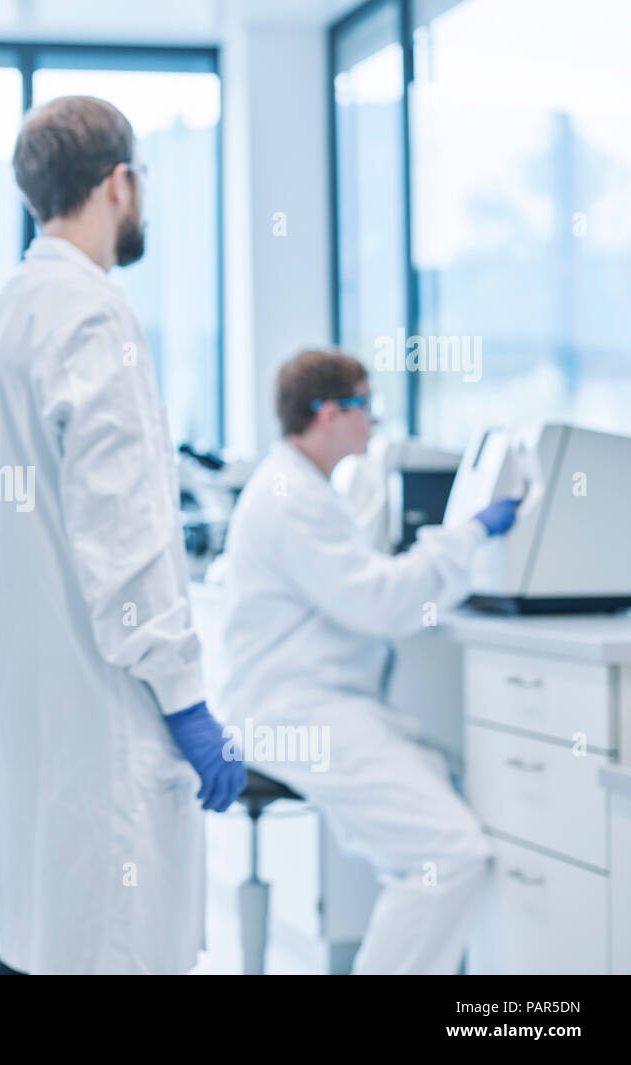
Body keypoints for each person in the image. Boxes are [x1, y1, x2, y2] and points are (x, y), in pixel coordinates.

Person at [0, 95, 245, 975]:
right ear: (120, 183)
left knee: (50, 936)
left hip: (45, 717)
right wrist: (189, 701)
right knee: (108, 941)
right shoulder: (92, 314)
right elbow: (124, 539)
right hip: (108, 719)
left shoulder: (3, 318)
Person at [219, 348, 519, 974]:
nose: (374, 423)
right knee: (451, 852)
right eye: (365, 406)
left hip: (311, 703)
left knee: (443, 780)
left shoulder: (300, 487)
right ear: (330, 413)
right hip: (299, 713)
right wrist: (471, 532)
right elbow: (380, 602)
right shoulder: (292, 497)